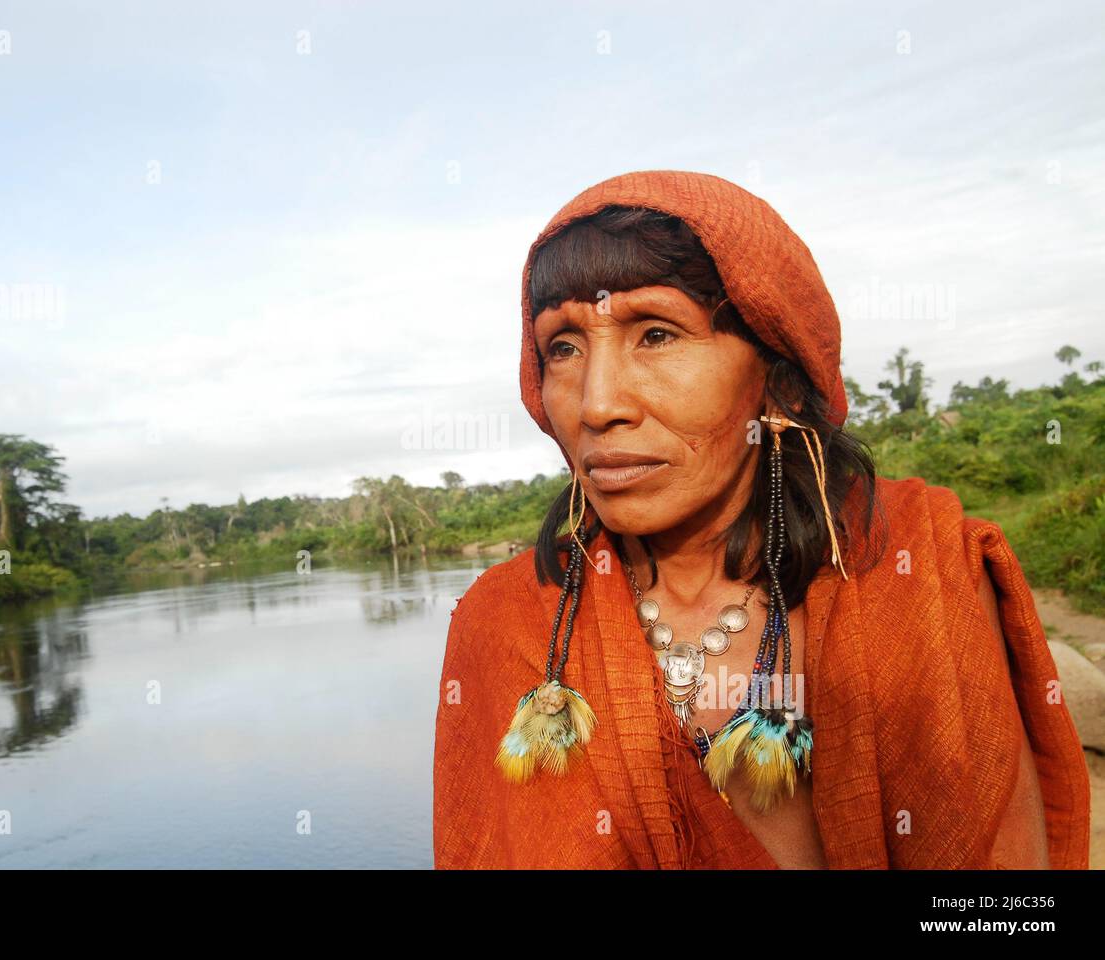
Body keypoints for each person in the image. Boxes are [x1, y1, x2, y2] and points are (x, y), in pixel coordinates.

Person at [431, 170, 1091, 869]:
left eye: (656, 334)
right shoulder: (506, 623)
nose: (596, 405)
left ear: (776, 377)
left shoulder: (917, 568)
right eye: (562, 346)